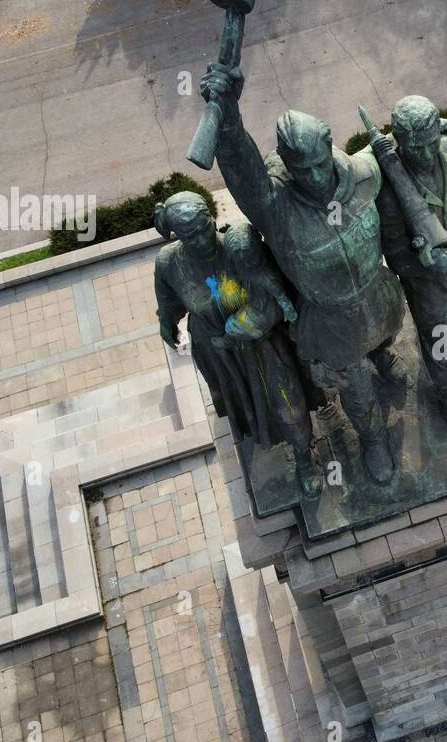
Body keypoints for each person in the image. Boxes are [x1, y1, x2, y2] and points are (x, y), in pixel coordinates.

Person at [201, 65, 406, 484]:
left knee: (385, 334)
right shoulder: (276, 208)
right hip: (331, 321)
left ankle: (382, 353)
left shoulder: (367, 173)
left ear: (330, 146)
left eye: (317, 164)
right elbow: (243, 170)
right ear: (288, 166)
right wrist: (228, 115)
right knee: (356, 390)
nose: (313, 177)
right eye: (301, 169)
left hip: (378, 294)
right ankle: (372, 440)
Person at [152, 192, 324, 497]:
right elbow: (170, 303)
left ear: (212, 219)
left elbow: (277, 287)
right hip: (220, 354)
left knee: (289, 404)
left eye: (205, 229)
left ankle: (304, 458)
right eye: (191, 237)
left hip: (263, 346)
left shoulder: (239, 246)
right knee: (247, 407)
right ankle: (260, 431)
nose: (202, 241)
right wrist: (167, 323)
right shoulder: (169, 263)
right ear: (179, 237)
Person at [372, 95, 447, 437]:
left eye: (429, 144)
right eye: (415, 148)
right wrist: (422, 261)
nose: (426, 154)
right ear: (399, 142)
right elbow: (394, 252)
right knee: (440, 337)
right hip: (424, 277)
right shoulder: (389, 188)